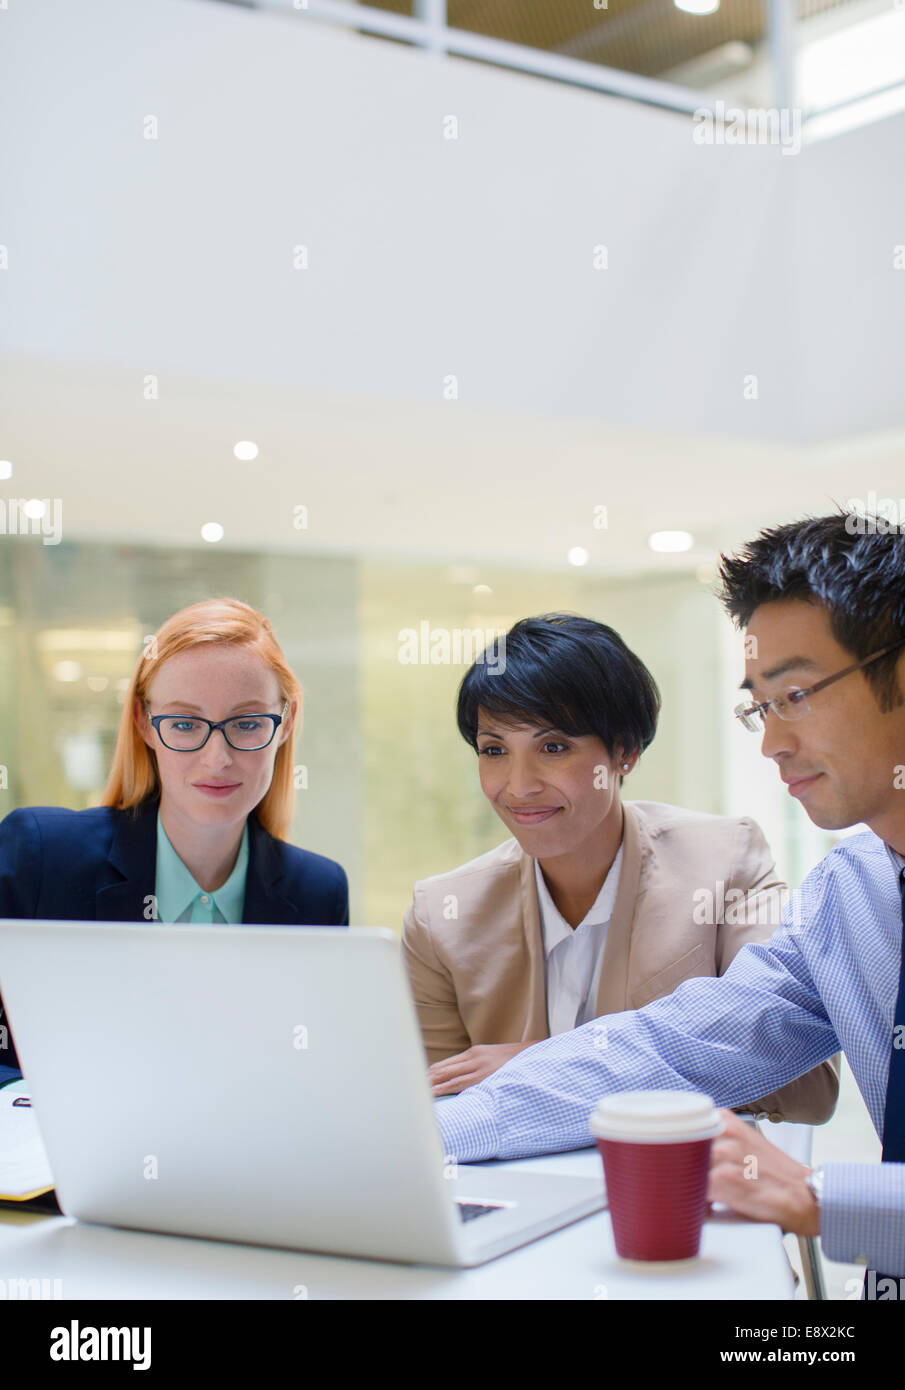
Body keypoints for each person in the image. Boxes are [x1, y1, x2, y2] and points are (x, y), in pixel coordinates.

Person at [430, 514, 905, 1291]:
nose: (771, 744)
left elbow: (801, 1101)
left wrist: (823, 1197)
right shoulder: (849, 893)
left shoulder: (729, 862)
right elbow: (671, 1046)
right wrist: (413, 1136)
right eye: (759, 705)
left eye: (795, 694)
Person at [403, 613, 838, 1123]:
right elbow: (428, 1115)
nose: (518, 786)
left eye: (554, 747)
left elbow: (807, 1089)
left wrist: (547, 1064)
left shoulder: (725, 861)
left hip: (678, 1188)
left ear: (625, 753)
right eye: (494, 750)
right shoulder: (442, 916)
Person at [0, 597, 349, 1083]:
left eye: (247, 723)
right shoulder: (39, 856)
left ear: (285, 722)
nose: (217, 759)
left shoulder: (318, 893)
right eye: (185, 724)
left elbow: (313, 1076)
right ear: (145, 723)